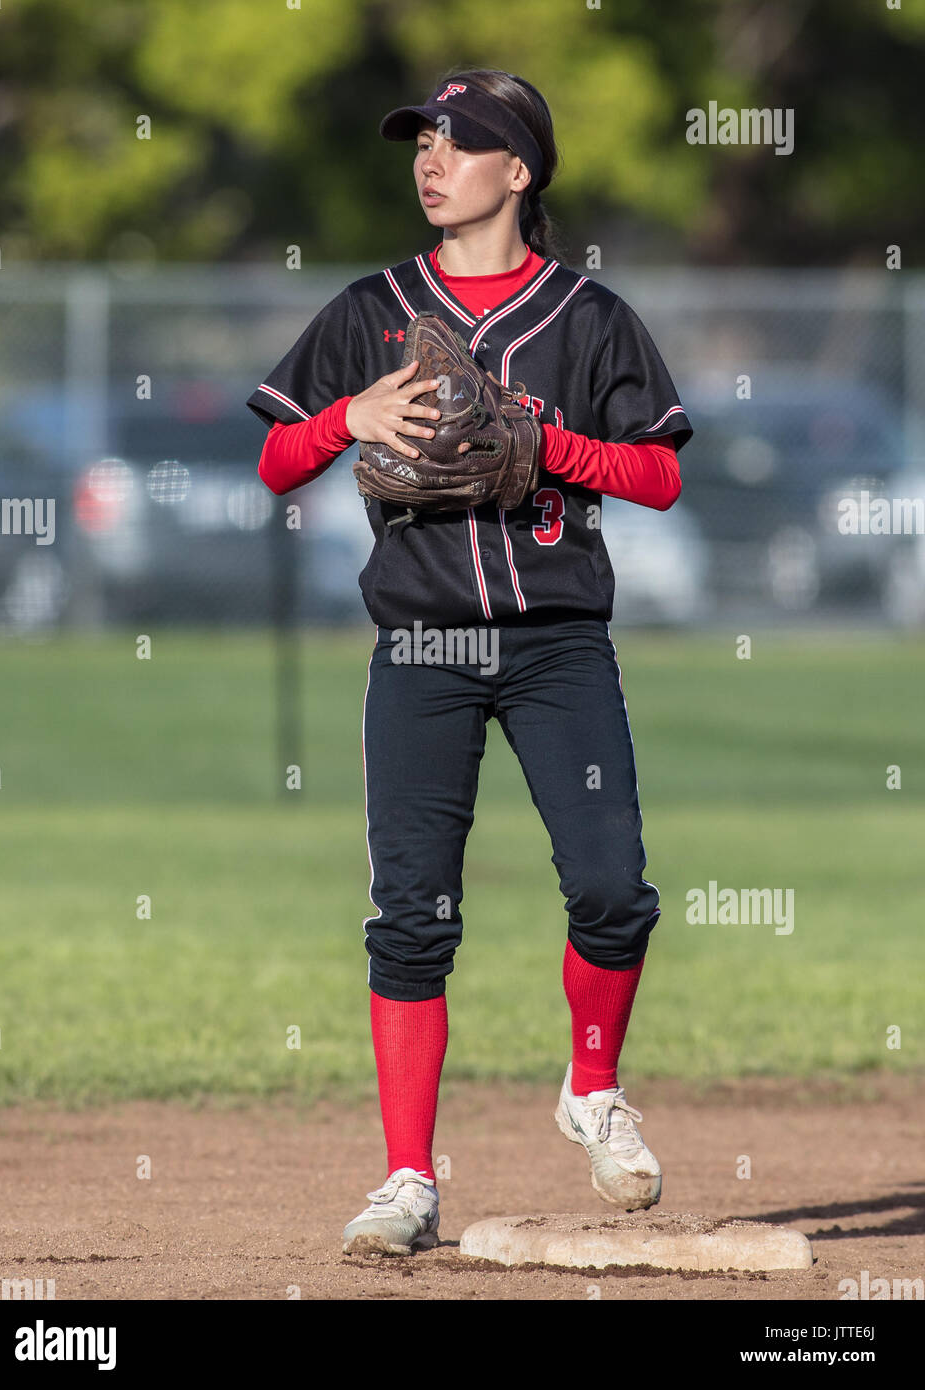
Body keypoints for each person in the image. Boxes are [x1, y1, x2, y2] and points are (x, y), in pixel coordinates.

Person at [248, 68, 693, 1257]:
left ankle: (590, 1090)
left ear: (520, 171)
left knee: (611, 888)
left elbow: (660, 475)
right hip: (421, 647)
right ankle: (407, 1179)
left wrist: (550, 443)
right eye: (424, 140)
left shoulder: (589, 319)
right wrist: (352, 418)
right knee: (412, 913)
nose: (430, 159)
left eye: (459, 141)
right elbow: (278, 463)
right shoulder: (372, 309)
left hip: (558, 645)